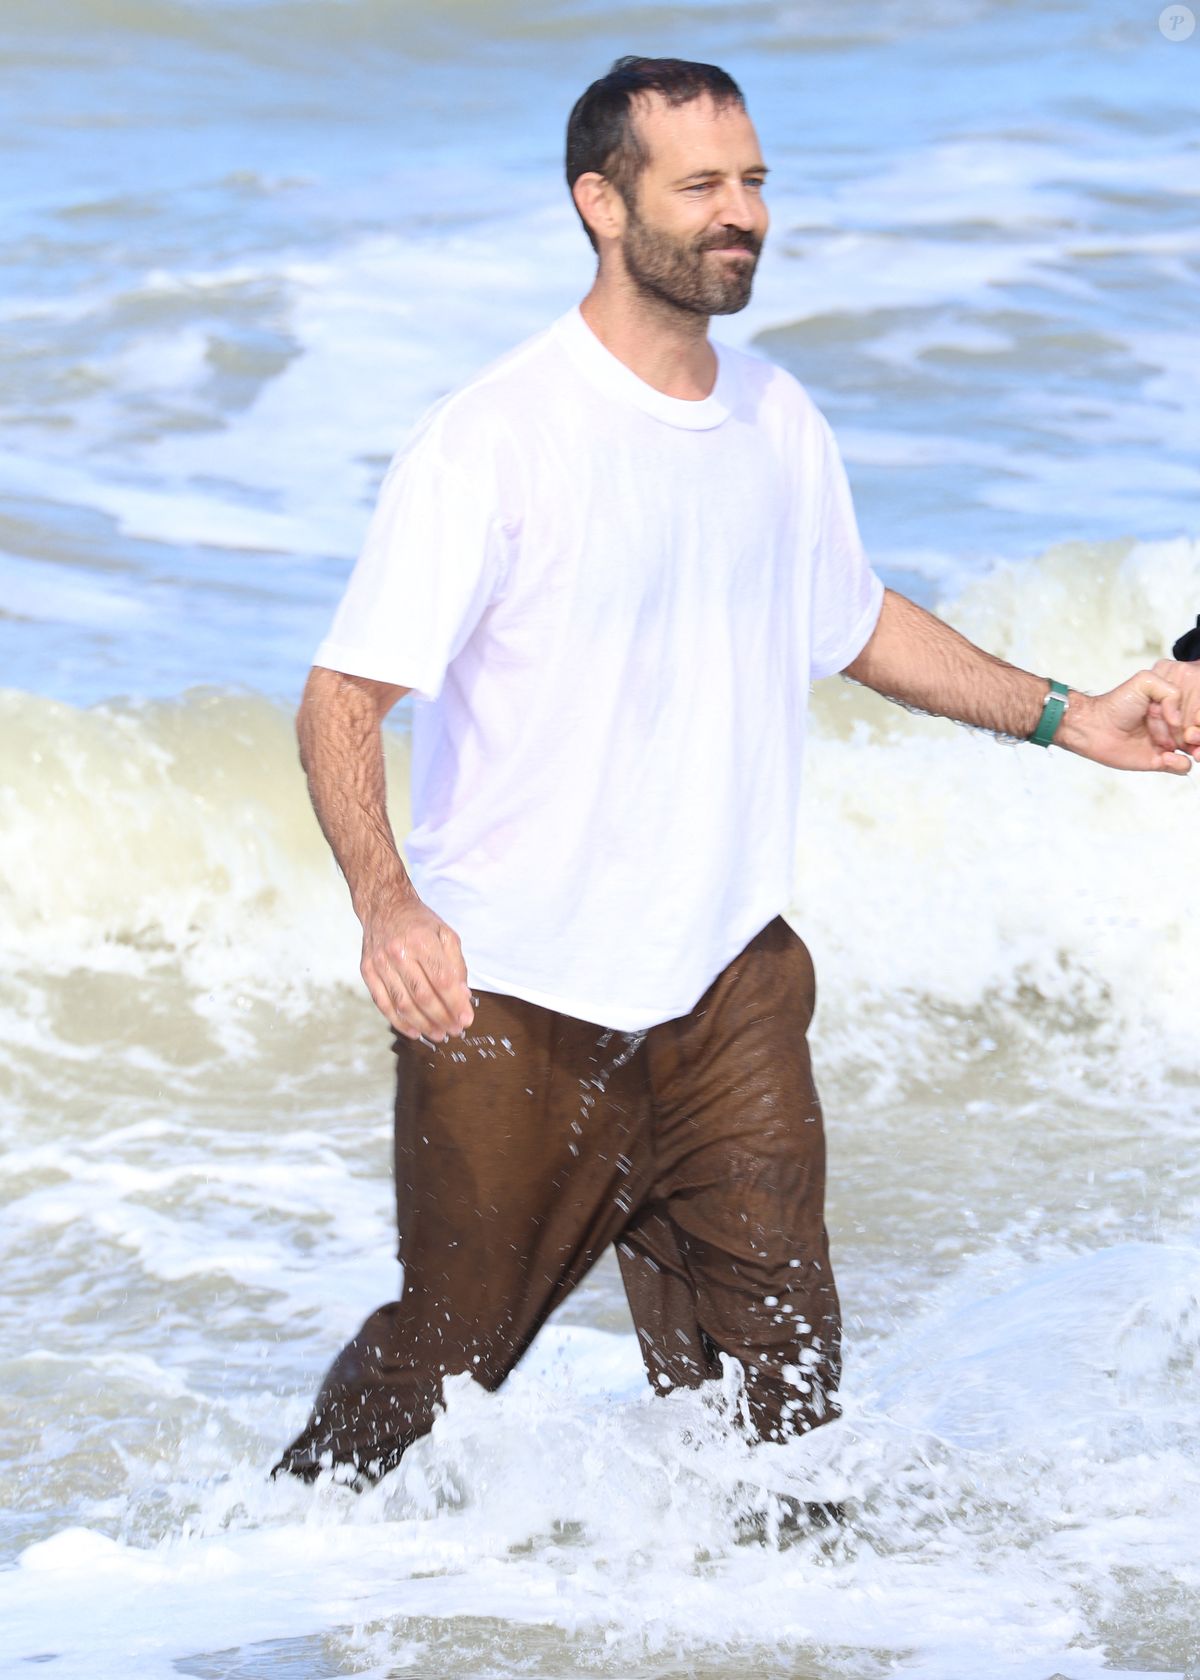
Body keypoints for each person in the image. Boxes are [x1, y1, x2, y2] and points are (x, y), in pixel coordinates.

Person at [273, 57, 1200, 1488]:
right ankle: (277, 1569)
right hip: (519, 993)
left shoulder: (777, 419)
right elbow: (344, 696)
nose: (742, 214)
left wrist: (1073, 718)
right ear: (600, 202)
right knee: (443, 1363)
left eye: (755, 181)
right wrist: (388, 903)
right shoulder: (495, 438)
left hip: (726, 989)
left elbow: (857, 622)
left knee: (787, 1393)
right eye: (702, 184)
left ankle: (755, 1602)